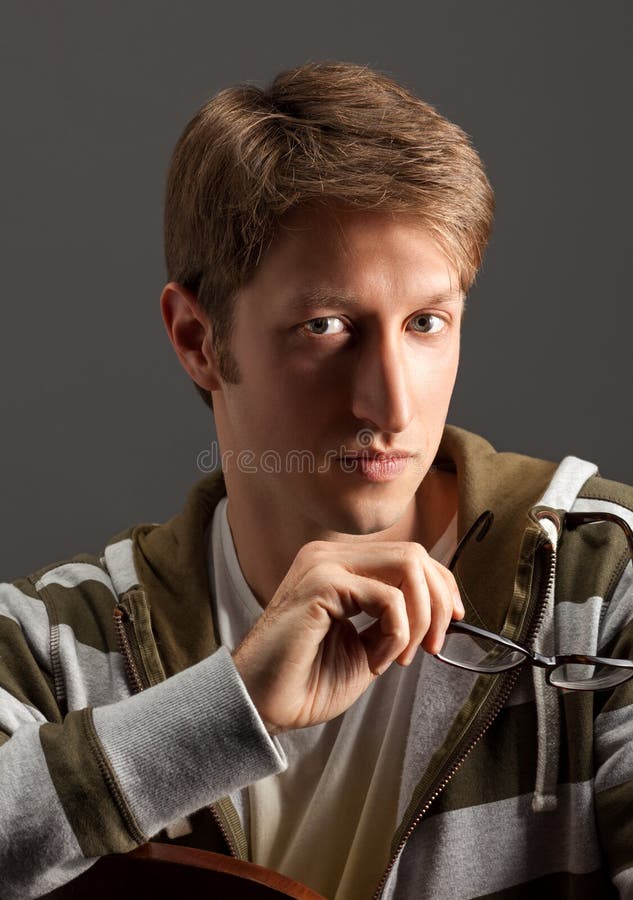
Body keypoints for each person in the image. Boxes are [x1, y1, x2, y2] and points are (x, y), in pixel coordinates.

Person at [1, 61, 632, 900]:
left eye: (425, 323)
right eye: (325, 325)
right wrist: (230, 708)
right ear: (197, 338)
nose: (391, 402)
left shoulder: (602, 583)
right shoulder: (50, 647)